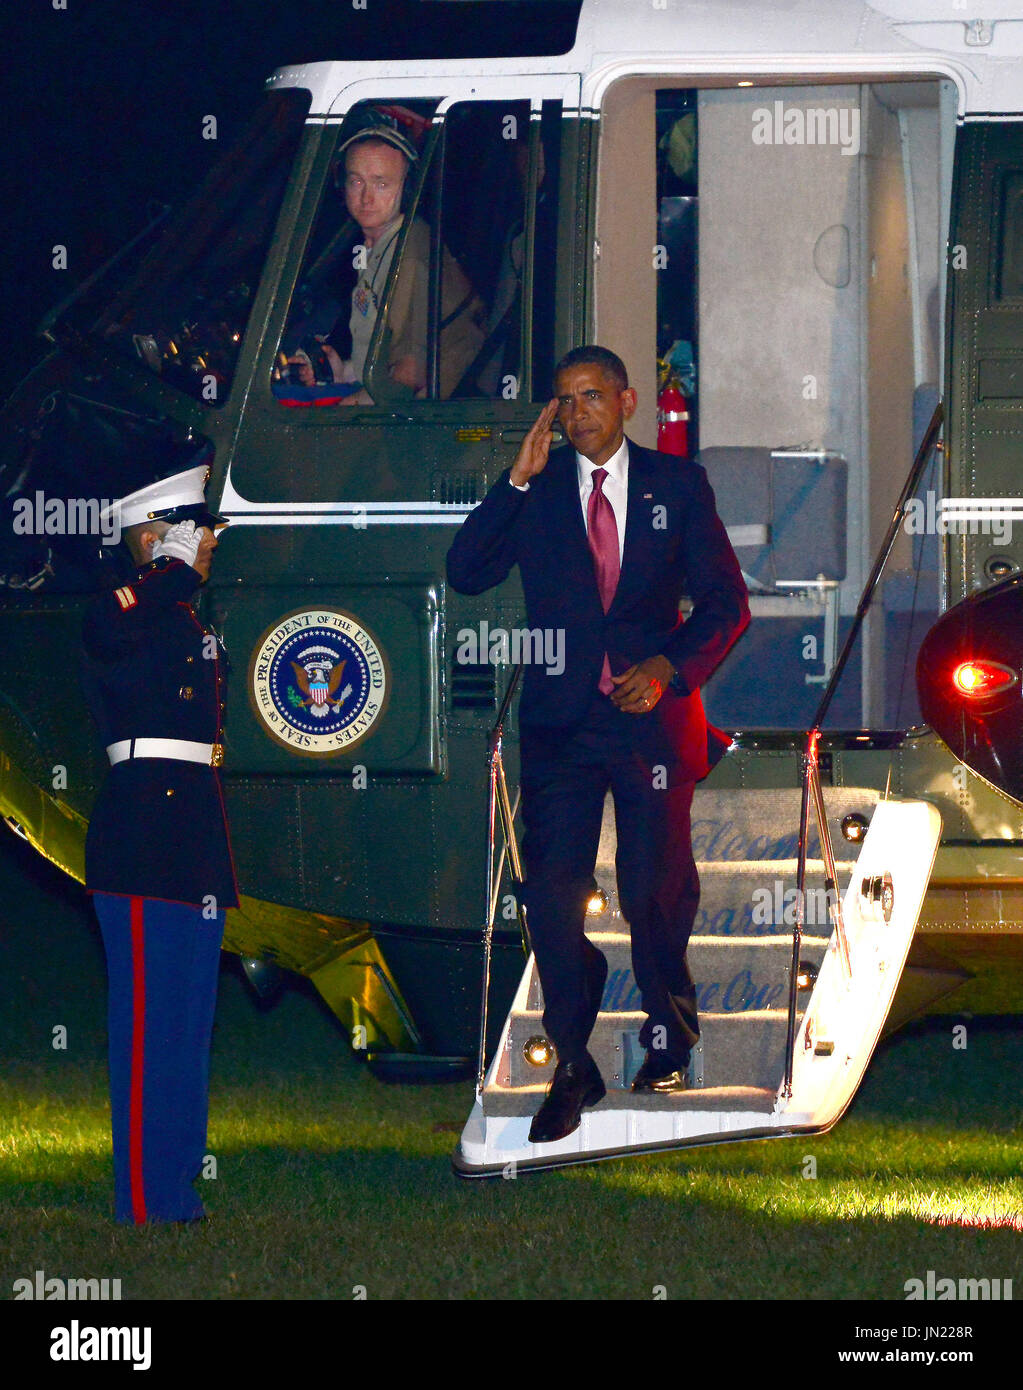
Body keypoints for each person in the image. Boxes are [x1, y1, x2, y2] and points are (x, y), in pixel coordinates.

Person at [446, 345, 750, 1144]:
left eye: (590, 396)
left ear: (626, 402)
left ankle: (668, 1035)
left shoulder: (675, 487)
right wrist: (513, 479)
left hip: (652, 720)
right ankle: (573, 1059)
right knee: (547, 895)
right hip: (561, 725)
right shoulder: (538, 491)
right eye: (562, 400)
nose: (576, 411)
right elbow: (467, 570)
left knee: (653, 889)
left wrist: (670, 666)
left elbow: (725, 603)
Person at [81, 463, 237, 1223]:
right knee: (147, 1028)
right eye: (195, 536)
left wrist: (176, 577)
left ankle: (174, 1186)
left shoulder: (182, 619)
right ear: (155, 537)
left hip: (191, 838)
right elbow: (106, 628)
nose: (209, 550)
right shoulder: (129, 608)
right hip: (143, 836)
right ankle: (143, 1199)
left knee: (186, 1021)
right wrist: (168, 569)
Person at [287, 120, 485, 404]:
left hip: (438, 417)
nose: (366, 198)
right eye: (356, 181)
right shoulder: (380, 246)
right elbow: (386, 357)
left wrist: (350, 404)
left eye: (381, 184)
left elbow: (411, 373)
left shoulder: (411, 250)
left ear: (406, 191)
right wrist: (343, 372)